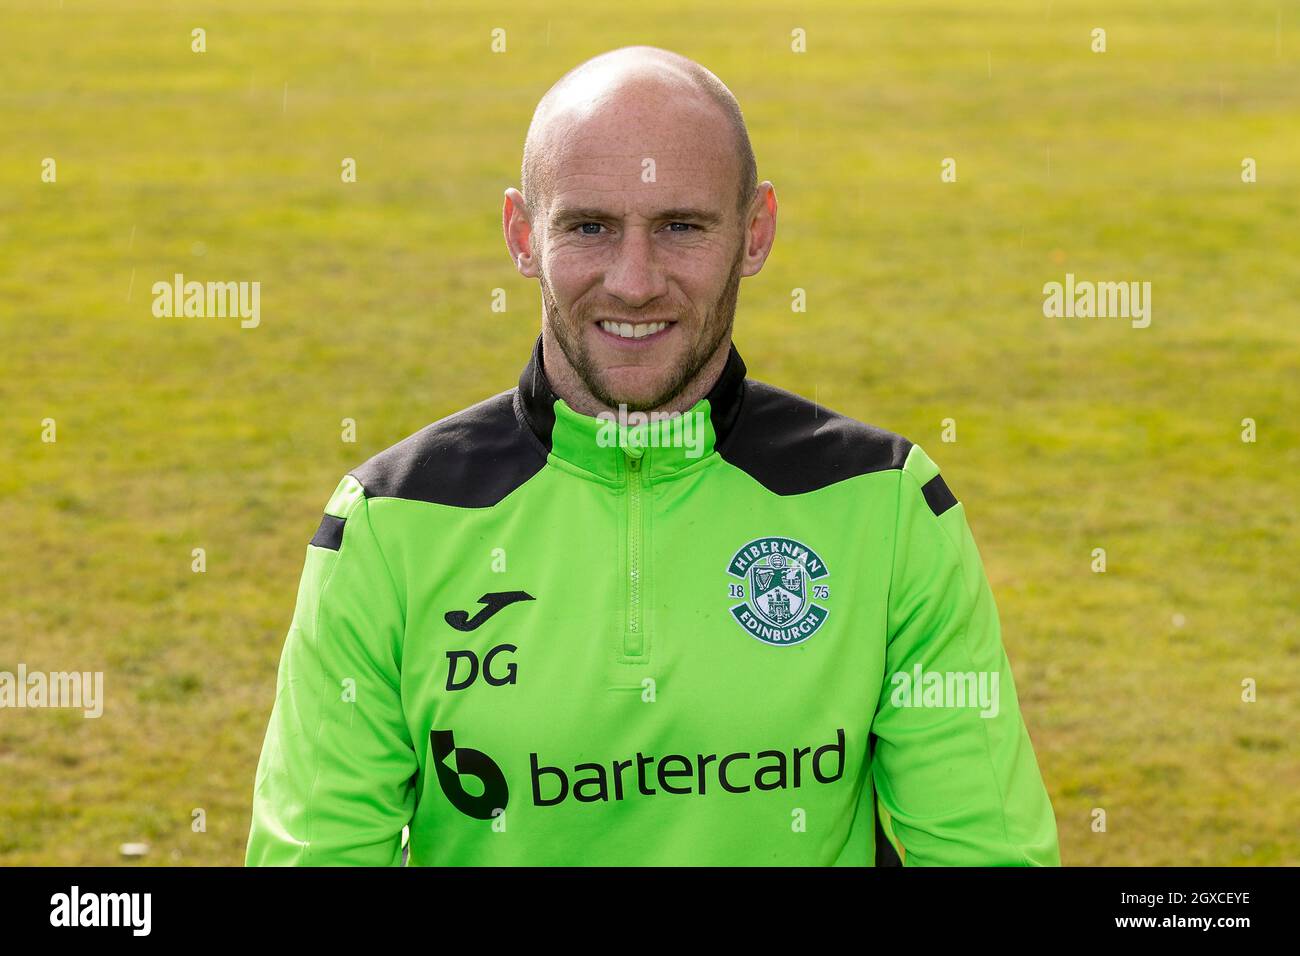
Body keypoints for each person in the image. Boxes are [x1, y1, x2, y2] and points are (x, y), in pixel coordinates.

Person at [245, 45, 1060, 866]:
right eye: (590, 227)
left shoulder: (883, 504)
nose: (634, 283)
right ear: (522, 235)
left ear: (756, 232)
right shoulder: (390, 524)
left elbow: (985, 854)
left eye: (681, 227)